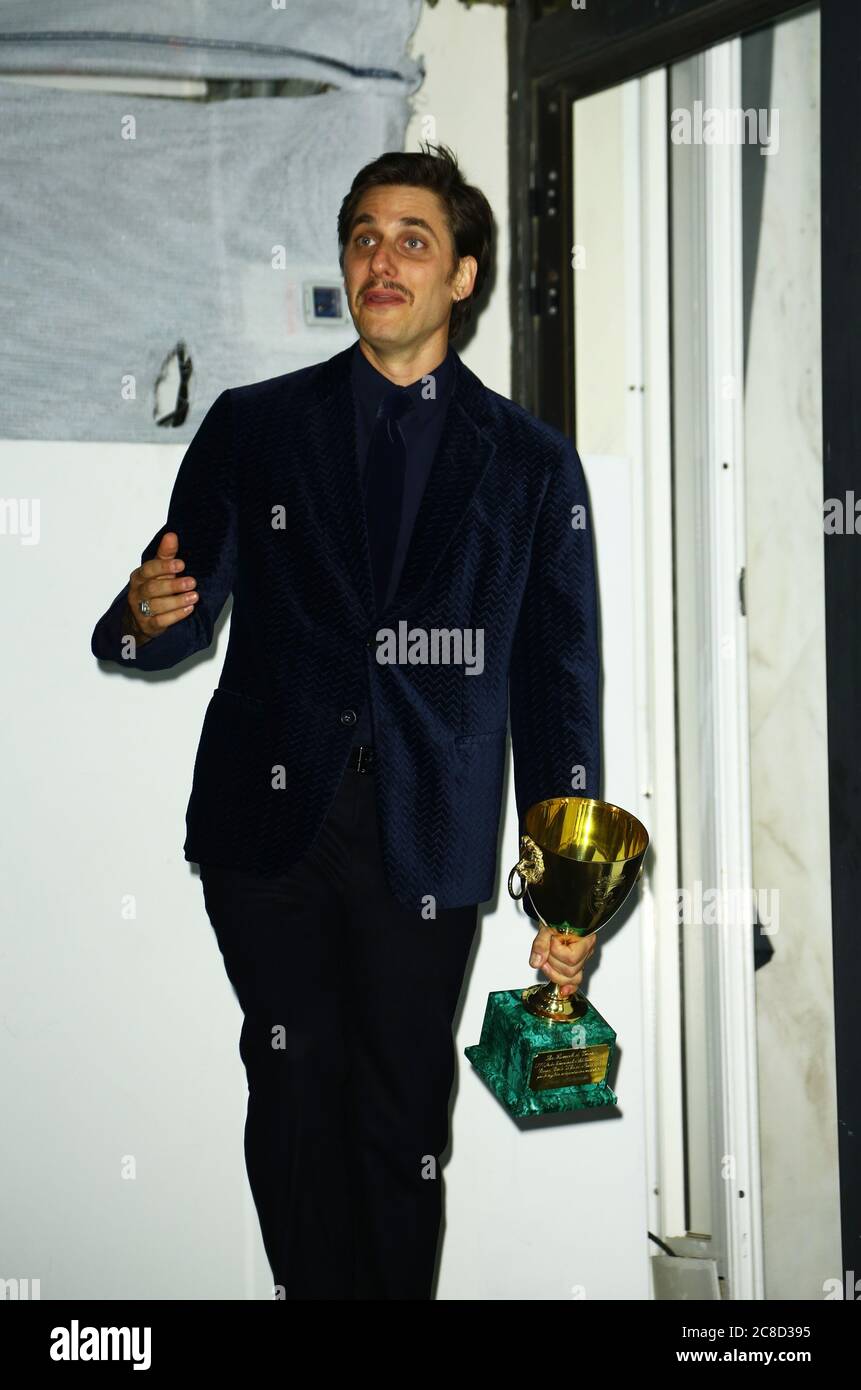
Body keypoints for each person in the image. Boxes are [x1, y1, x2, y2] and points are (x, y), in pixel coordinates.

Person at [91, 142, 600, 1300]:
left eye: (414, 238)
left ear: (462, 275)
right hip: (268, 829)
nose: (383, 258)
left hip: (429, 835)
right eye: (364, 236)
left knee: (405, 1107)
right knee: (294, 1086)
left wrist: (568, 891)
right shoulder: (254, 426)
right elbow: (170, 612)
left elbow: (558, 683)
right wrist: (137, 617)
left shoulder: (529, 465)